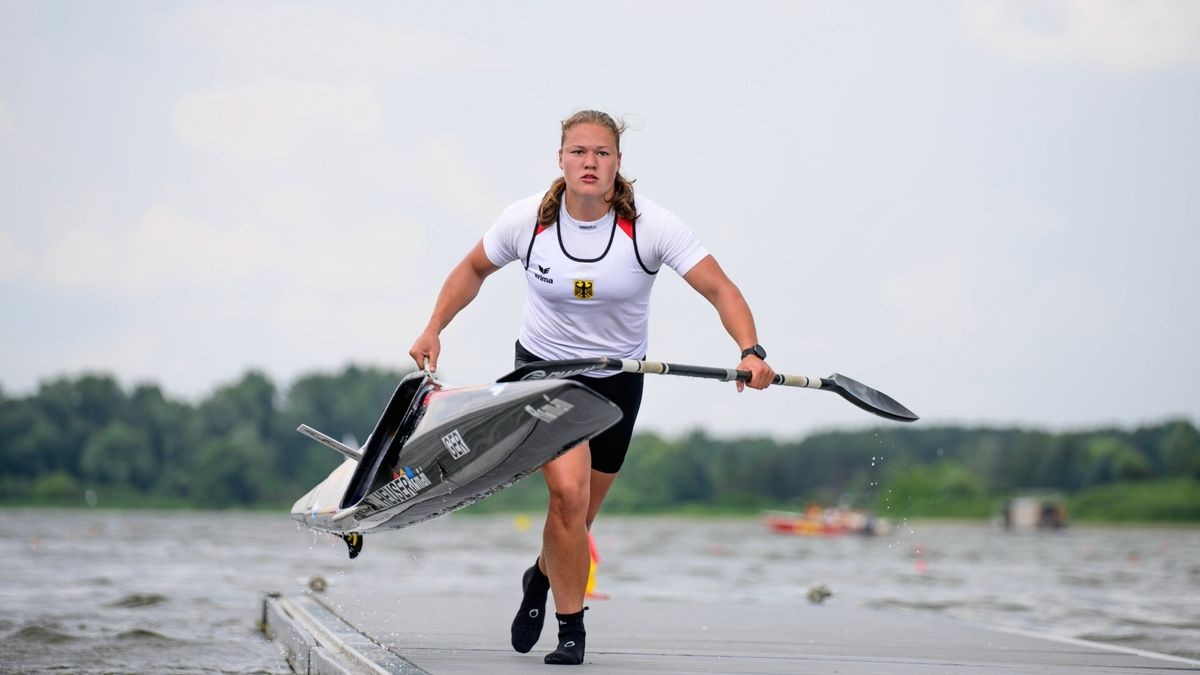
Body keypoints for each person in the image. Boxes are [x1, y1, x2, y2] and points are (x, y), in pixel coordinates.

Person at [408, 109, 775, 665]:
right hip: (545, 376)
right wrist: (434, 327)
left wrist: (750, 350)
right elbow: (472, 270)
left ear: (618, 162)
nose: (589, 162)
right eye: (578, 151)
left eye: (602, 153)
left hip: (618, 381)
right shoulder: (527, 220)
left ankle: (540, 576)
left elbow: (720, 289)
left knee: (578, 519)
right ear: (560, 158)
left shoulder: (651, 226)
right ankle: (571, 631)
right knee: (568, 495)